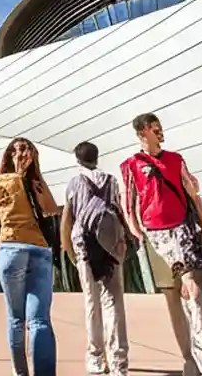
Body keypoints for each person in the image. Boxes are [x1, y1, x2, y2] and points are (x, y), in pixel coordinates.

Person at [120, 113, 202, 376]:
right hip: (157, 235)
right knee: (175, 295)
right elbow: (128, 201)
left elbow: (192, 191)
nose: (161, 132)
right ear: (142, 133)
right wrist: (137, 232)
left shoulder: (175, 158)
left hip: (183, 229)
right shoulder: (131, 164)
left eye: (161, 128)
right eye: (155, 129)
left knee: (193, 292)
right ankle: (190, 360)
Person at [0, 137, 60, 375]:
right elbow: (51, 209)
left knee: (16, 318)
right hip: (39, 248)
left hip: (10, 249)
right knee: (39, 319)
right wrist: (29, 177)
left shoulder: (0, 180)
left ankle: (20, 373)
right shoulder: (34, 181)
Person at [60, 141, 130, 376]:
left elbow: (67, 220)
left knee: (92, 302)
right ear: (97, 157)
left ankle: (95, 357)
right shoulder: (111, 181)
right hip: (111, 246)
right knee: (115, 302)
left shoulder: (74, 182)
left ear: (77, 159)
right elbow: (119, 210)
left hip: (85, 246)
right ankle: (119, 361)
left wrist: (69, 251)